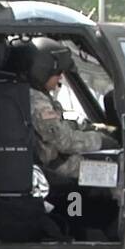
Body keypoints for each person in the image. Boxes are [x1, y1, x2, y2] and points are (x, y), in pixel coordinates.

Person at [26, 38, 116, 181]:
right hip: (56, 167)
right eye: (58, 73)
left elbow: (58, 127)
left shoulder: (35, 95)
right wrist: (101, 141)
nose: (60, 77)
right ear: (43, 72)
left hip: (57, 160)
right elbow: (64, 141)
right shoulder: (37, 103)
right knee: (115, 173)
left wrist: (92, 128)